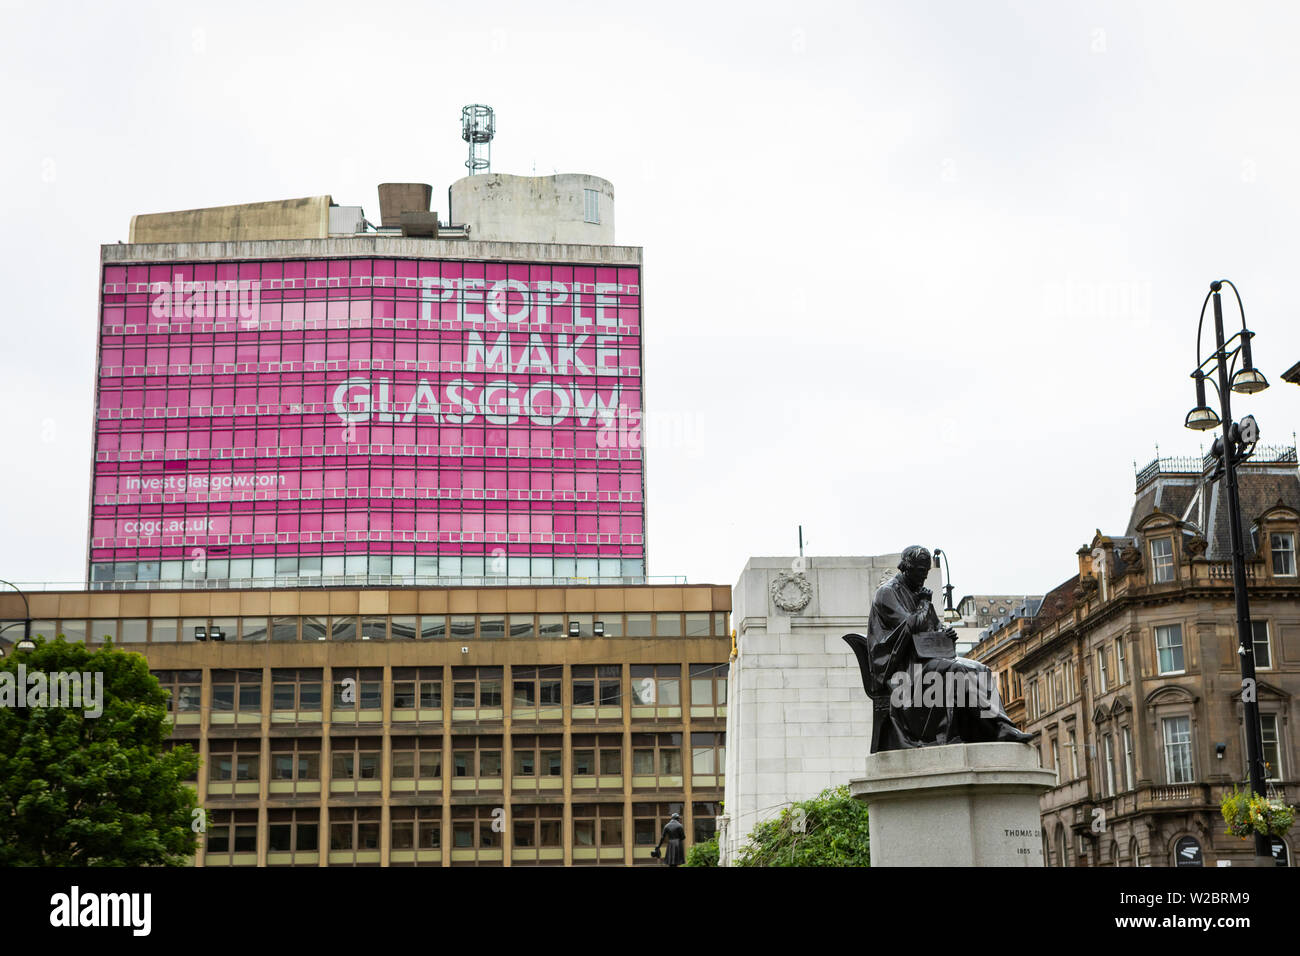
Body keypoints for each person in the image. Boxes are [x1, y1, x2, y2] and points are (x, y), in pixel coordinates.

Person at [844, 545, 1032, 752]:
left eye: (926, 572)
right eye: (919, 571)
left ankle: (1000, 727)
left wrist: (946, 633)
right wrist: (924, 604)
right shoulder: (887, 593)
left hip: (926, 659)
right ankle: (989, 728)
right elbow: (910, 625)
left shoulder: (918, 591)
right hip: (902, 666)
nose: (923, 577)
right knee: (957, 671)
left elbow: (932, 626)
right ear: (905, 568)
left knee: (981, 669)